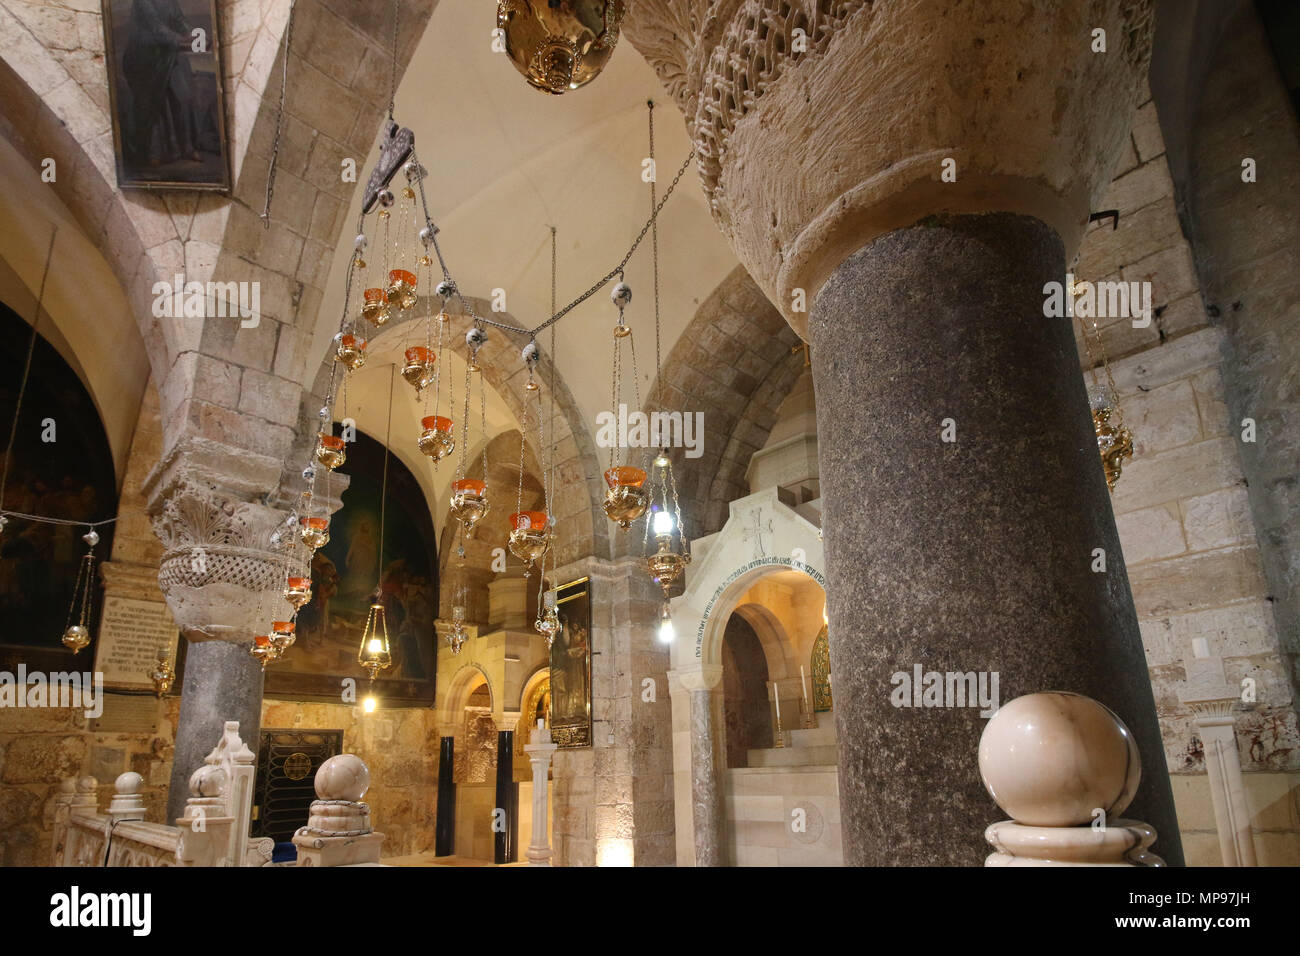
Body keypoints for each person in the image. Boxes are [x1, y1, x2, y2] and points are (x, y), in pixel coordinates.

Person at [121, 0, 200, 168]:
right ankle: (153, 152)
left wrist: (192, 34)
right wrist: (181, 40)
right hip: (144, 57)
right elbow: (155, 27)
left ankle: (186, 146)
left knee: (183, 96)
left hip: (167, 53)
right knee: (152, 102)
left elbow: (179, 19)